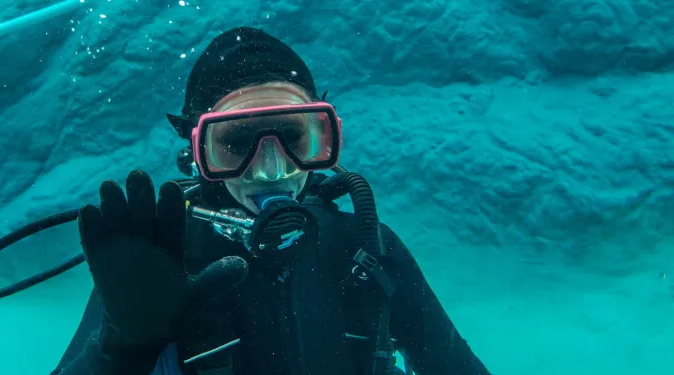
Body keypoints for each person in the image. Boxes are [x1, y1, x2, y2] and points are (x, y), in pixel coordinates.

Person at [52, 27, 492, 375]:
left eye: (295, 137)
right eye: (236, 143)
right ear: (197, 157)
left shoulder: (365, 249)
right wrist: (118, 350)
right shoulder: (162, 264)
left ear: (323, 138)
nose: (271, 170)